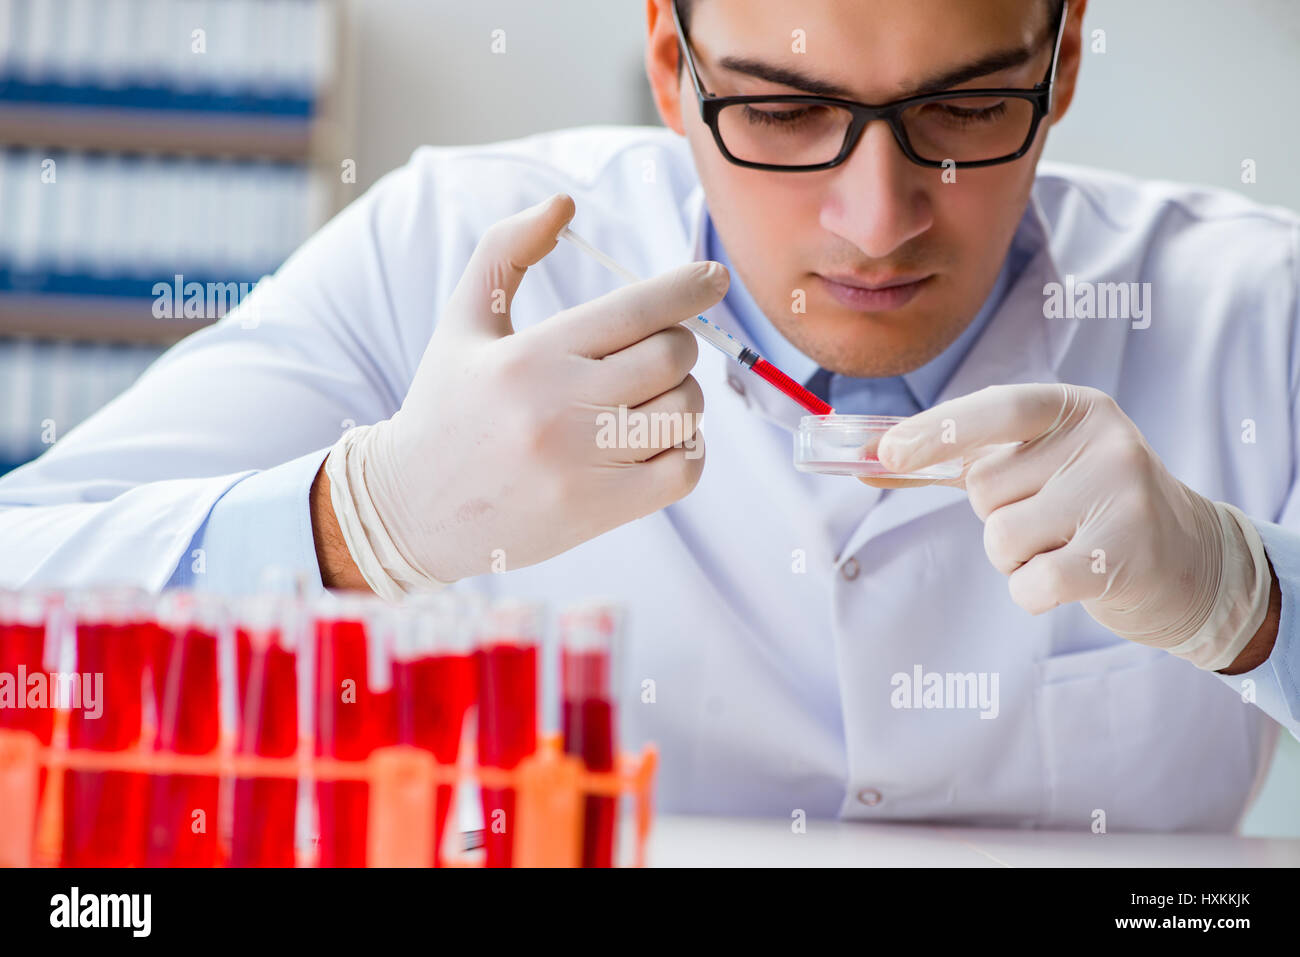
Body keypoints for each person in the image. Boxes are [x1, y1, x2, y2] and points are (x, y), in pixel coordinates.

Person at [1, 0, 1296, 828]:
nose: (876, 216)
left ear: (1065, 56)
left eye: (963, 108)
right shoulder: (447, 248)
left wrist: (1256, 603)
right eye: (786, 112)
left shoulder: (1255, 308)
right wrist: (357, 518)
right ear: (673, 67)